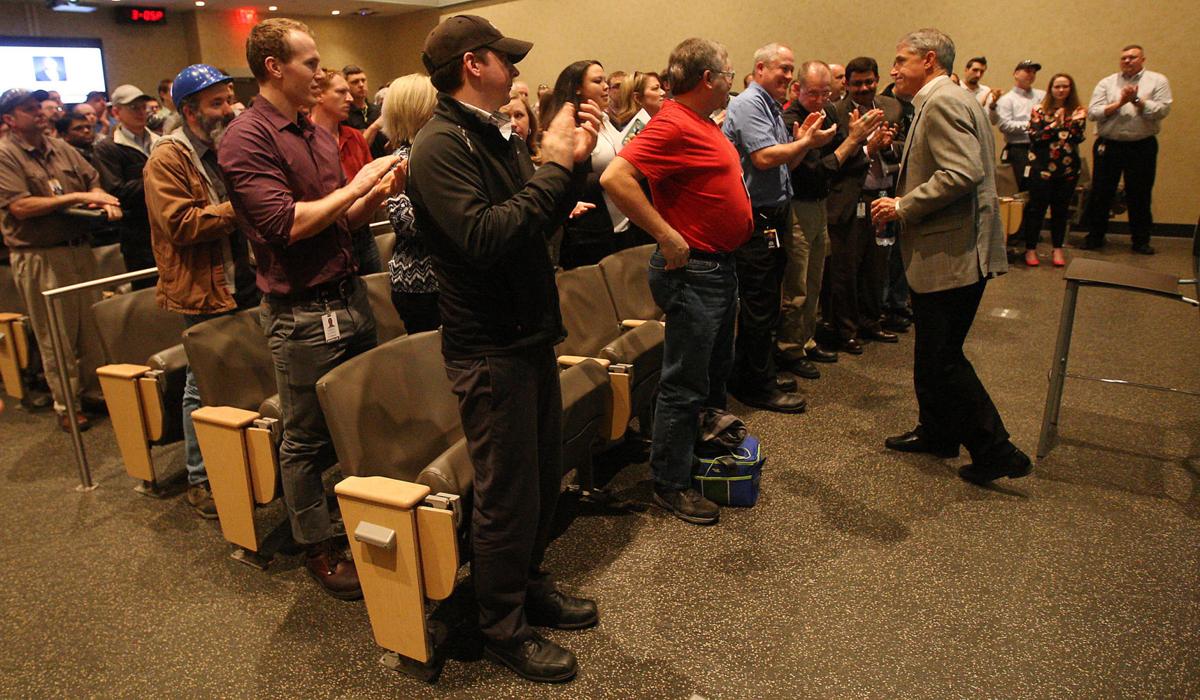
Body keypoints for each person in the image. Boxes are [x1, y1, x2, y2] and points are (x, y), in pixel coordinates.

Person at [408, 14, 602, 683]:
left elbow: (535, 218)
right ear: (472, 64)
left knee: (543, 477)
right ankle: (501, 625)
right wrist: (552, 162)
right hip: (489, 347)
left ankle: (527, 582)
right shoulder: (440, 146)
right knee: (506, 494)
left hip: (526, 334)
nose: (515, 69)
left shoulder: (490, 134)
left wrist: (568, 166)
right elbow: (488, 237)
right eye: (504, 58)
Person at [218, 18, 401, 600]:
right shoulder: (246, 138)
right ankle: (316, 543)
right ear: (274, 67)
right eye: (311, 62)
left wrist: (372, 192)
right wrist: (357, 185)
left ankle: (365, 519)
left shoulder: (314, 132)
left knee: (361, 412)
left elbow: (339, 218)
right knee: (304, 438)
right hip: (299, 311)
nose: (321, 72)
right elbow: (283, 225)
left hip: (347, 293)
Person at [871, 28, 1031, 486]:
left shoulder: (942, 101)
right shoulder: (949, 97)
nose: (894, 69)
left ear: (930, 60)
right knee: (930, 350)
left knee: (944, 357)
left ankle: (996, 449)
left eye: (902, 60)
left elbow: (961, 171)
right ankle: (938, 432)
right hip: (952, 247)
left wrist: (902, 205)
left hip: (953, 251)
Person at [602, 37, 749, 527]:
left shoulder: (699, 122)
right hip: (695, 271)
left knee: (709, 376)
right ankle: (670, 483)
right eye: (728, 74)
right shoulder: (671, 123)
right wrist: (667, 236)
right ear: (708, 79)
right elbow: (616, 179)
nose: (732, 81)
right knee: (684, 382)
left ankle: (699, 459)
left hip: (718, 267)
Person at [144, 64, 260, 518]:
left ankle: (239, 462)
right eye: (217, 103)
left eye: (230, 98)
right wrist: (242, 207)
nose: (229, 108)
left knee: (242, 372)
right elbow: (181, 224)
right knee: (202, 381)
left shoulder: (224, 146)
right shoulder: (167, 158)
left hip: (242, 276)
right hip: (202, 285)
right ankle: (201, 478)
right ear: (188, 110)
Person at [0, 88, 122, 432]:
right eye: (28, 109)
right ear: (10, 119)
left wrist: (99, 196)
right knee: (56, 334)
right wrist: (79, 195)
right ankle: (66, 403)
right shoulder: (6, 154)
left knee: (89, 329)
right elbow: (20, 207)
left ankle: (91, 392)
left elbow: (92, 178)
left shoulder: (60, 147)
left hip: (78, 249)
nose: (39, 112)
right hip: (40, 255)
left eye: (39, 106)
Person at [722, 42, 833, 413]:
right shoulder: (750, 104)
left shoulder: (771, 105)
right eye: (782, 68)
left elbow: (790, 162)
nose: (788, 75)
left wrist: (804, 142)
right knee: (758, 303)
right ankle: (757, 385)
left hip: (774, 214)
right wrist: (805, 141)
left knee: (767, 301)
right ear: (759, 70)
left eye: (791, 69)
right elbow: (765, 158)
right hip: (756, 217)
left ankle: (755, 371)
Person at [824, 57, 902, 354]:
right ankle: (847, 330)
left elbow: (905, 146)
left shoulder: (891, 107)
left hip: (883, 196)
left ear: (878, 79)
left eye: (869, 82)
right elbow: (833, 162)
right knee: (846, 269)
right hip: (851, 200)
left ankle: (872, 321)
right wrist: (868, 148)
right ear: (846, 83)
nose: (864, 88)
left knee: (877, 264)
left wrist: (889, 144)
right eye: (857, 83)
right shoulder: (836, 112)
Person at [1080, 44, 1171, 254]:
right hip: (1109, 144)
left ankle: (1141, 240)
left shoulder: (1158, 81)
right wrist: (1120, 103)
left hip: (1142, 146)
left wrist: (1137, 101)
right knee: (1101, 192)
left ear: (1143, 59)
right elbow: (1093, 112)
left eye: (1132, 57)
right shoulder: (1107, 82)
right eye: (1124, 58)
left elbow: (1162, 110)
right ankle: (1095, 236)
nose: (1127, 61)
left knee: (1139, 194)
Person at [546, 60, 629, 268]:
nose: (605, 86)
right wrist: (615, 175)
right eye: (597, 81)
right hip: (588, 228)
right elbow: (565, 180)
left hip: (620, 220)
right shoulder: (569, 127)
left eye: (605, 80)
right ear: (578, 88)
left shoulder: (606, 119)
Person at [379, 73, 440, 333]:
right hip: (420, 284)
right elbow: (406, 221)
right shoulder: (399, 161)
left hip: (445, 281)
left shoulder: (434, 153)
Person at [310, 67, 381, 275]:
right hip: (328, 237)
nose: (349, 98)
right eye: (341, 92)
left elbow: (371, 181)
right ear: (320, 95)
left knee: (373, 297)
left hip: (362, 234)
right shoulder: (304, 140)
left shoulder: (355, 137)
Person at [93, 84, 160, 289]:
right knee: (148, 296)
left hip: (167, 227)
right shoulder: (108, 148)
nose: (141, 112)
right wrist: (159, 179)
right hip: (137, 235)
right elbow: (117, 192)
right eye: (133, 108)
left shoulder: (160, 141)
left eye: (143, 107)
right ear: (116, 112)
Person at [1023, 74, 1086, 267]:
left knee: (1061, 210)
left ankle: (1057, 248)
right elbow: (1035, 136)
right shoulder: (1039, 110)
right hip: (1041, 168)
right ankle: (1030, 249)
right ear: (1051, 88)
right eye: (1057, 86)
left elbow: (1077, 138)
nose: (1061, 90)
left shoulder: (1078, 112)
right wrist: (1055, 124)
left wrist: (1069, 123)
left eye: (1065, 86)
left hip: (1067, 170)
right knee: (1037, 209)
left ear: (1070, 89)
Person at [991, 60, 1044, 192]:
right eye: (1027, 71)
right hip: (1020, 149)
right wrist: (1032, 125)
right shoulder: (1007, 99)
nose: (1031, 75)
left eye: (1033, 72)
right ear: (1016, 74)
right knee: (1022, 188)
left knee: (1041, 189)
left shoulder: (1042, 96)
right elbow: (1004, 125)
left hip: (1041, 148)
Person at [342, 65, 389, 158]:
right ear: (346, 86)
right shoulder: (344, 114)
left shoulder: (378, 110)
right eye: (355, 82)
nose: (361, 85)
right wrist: (374, 127)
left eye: (363, 80)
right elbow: (356, 151)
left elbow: (387, 147)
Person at [615, 71, 665, 145]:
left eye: (661, 88)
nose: (663, 92)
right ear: (637, 98)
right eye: (655, 88)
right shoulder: (631, 132)